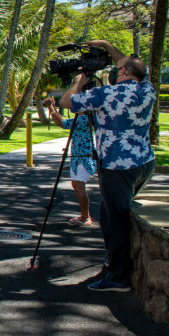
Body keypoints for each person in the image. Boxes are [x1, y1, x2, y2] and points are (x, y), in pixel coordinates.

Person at [61, 40, 155, 292]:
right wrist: (106, 45)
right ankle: (114, 261)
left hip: (117, 167)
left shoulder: (105, 94)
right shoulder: (147, 89)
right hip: (144, 162)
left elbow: (67, 103)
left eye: (118, 67)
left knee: (116, 220)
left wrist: (78, 81)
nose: (116, 68)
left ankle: (119, 277)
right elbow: (130, 64)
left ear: (123, 72)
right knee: (109, 211)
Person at [44, 91, 96, 226]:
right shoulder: (84, 119)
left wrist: (51, 108)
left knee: (79, 186)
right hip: (79, 157)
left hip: (82, 158)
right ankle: (85, 215)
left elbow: (61, 123)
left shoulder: (83, 120)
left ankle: (85, 217)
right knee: (77, 186)